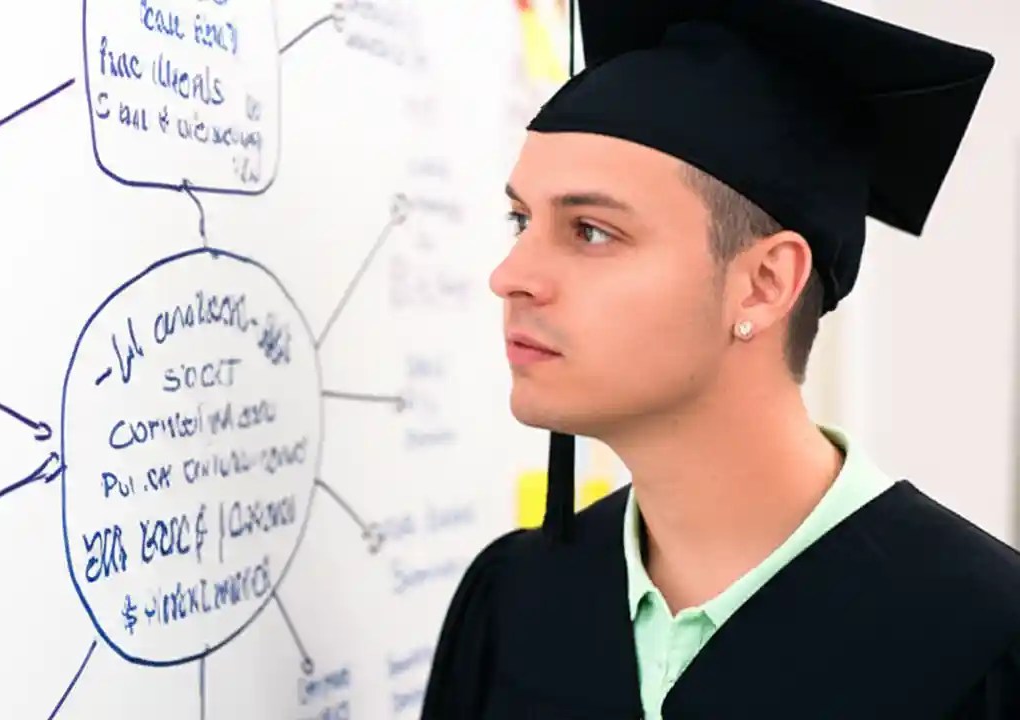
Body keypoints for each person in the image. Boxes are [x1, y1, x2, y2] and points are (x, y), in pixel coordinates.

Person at [420, 1, 1020, 718]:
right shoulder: (516, 603)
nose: (510, 275)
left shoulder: (980, 637)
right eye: (521, 221)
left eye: (590, 231)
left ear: (764, 285)